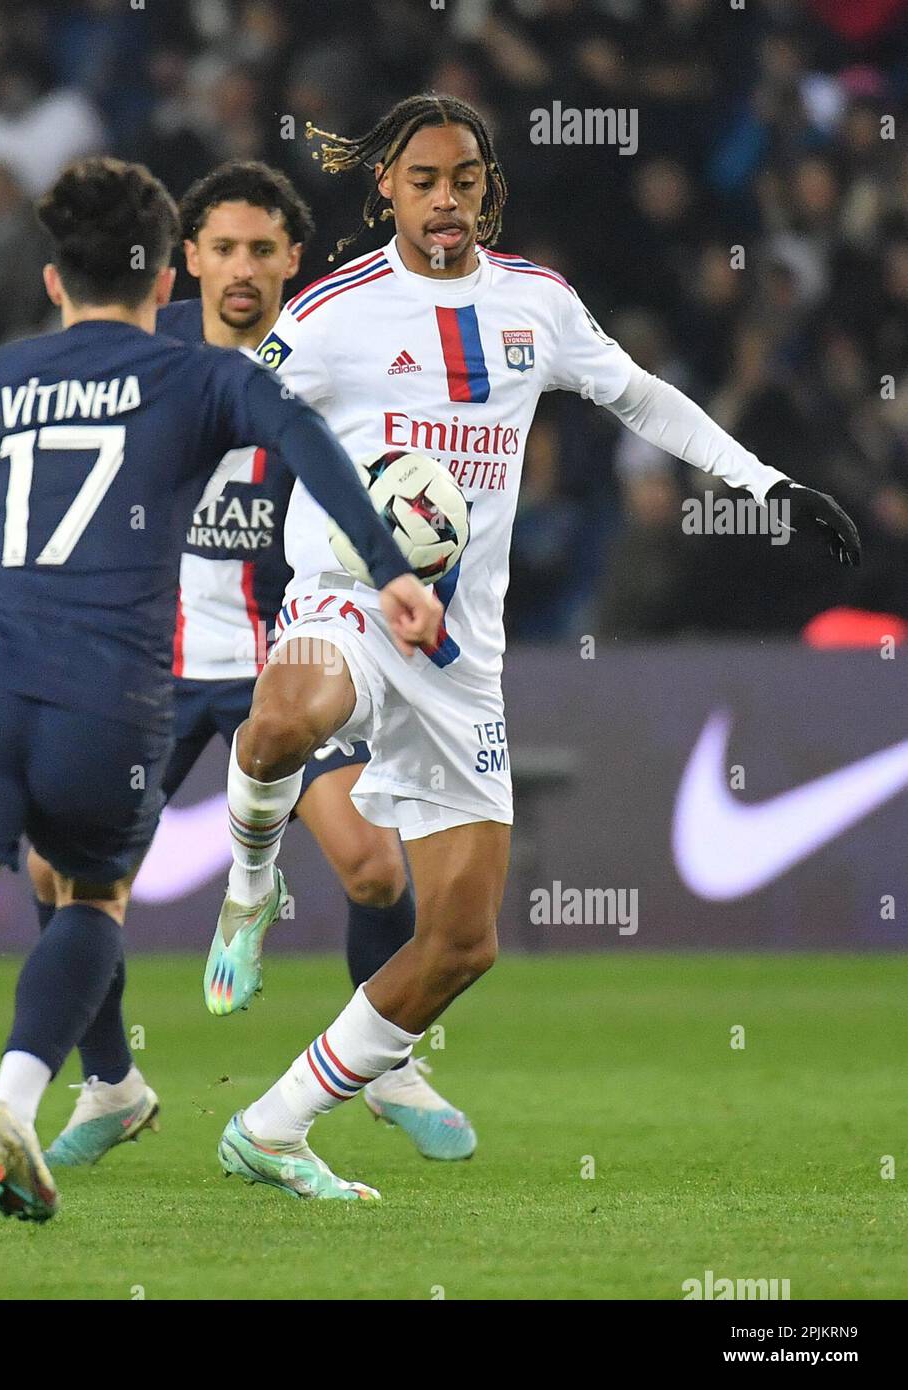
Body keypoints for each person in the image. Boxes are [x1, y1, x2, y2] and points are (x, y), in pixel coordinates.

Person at [209, 93, 861, 1201]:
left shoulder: (538, 305)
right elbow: (224, 404)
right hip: (352, 602)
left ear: (486, 187)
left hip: (461, 658)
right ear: (387, 192)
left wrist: (765, 483)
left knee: (464, 943)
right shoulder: (331, 312)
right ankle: (252, 880)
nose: (445, 199)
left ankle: (273, 1125)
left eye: (463, 179)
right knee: (281, 719)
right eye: (422, 181)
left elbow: (642, 398)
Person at [0, 155, 441, 1275]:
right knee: (90, 900)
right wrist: (392, 566)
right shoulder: (193, 378)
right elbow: (300, 436)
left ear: (53, 278)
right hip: (111, 694)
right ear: (168, 280)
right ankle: (21, 1099)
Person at [30, 160, 477, 1167]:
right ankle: (110, 1084)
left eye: (262, 250)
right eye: (222, 248)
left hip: (290, 656)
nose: (241, 268)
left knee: (370, 867)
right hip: (156, 663)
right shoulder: (140, 359)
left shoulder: (332, 363)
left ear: (292, 262)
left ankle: (389, 1063)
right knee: (59, 871)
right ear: (183, 260)